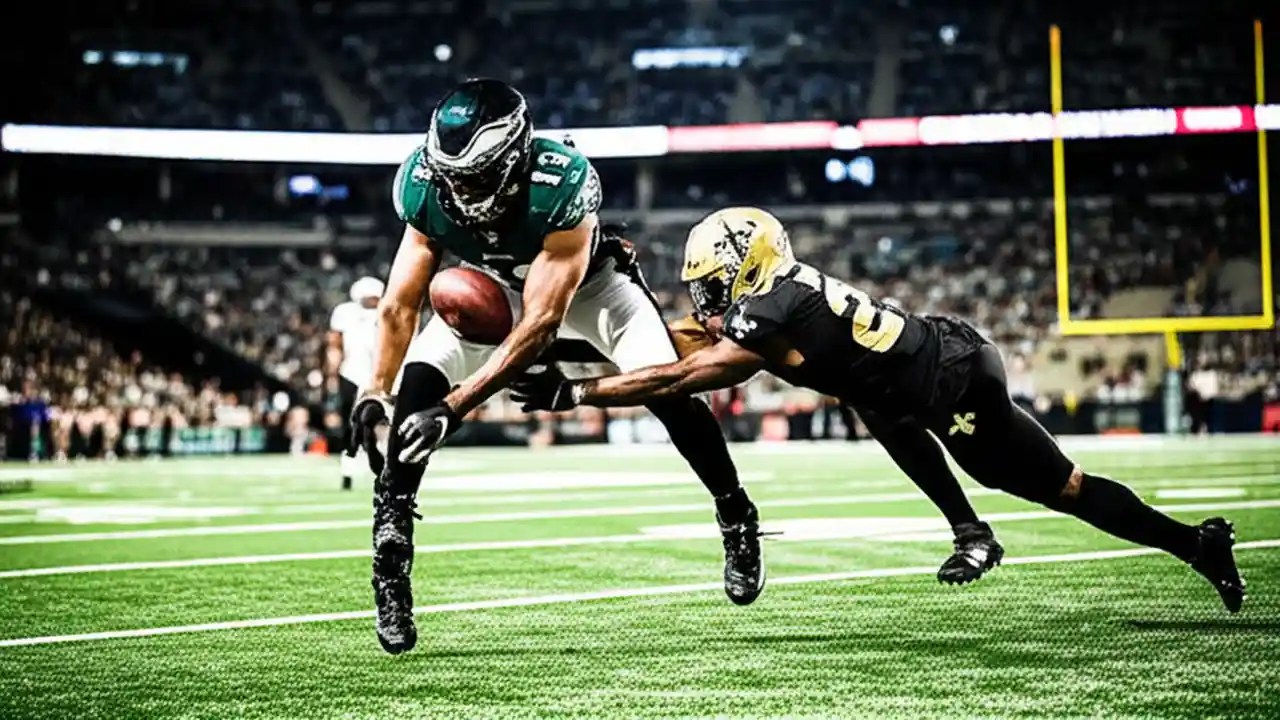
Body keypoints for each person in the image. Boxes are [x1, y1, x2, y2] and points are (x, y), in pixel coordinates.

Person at [511, 207, 1246, 614]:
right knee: (878, 407)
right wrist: (623, 307)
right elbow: (691, 340)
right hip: (931, 369)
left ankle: (985, 533)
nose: (708, 297)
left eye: (715, 280)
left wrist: (574, 393)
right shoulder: (779, 299)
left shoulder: (775, 306)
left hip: (950, 384)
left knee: (1058, 488)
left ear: (748, 262)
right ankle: (1193, 545)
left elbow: (684, 375)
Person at [349, 79, 757, 654]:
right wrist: (376, 388)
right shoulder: (422, 185)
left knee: (668, 388)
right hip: (493, 288)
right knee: (418, 380)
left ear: (514, 158)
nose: (460, 189)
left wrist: (457, 407)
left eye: (475, 174)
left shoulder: (558, 182)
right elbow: (399, 303)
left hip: (586, 290)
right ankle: (390, 552)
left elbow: (542, 323)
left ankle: (735, 512)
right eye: (451, 176)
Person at [328, 276, 384, 490]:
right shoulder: (345, 312)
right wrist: (332, 375)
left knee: (368, 423)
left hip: (376, 374)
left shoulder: (385, 311)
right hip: (351, 373)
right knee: (351, 426)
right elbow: (334, 346)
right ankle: (349, 467)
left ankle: (369, 463)